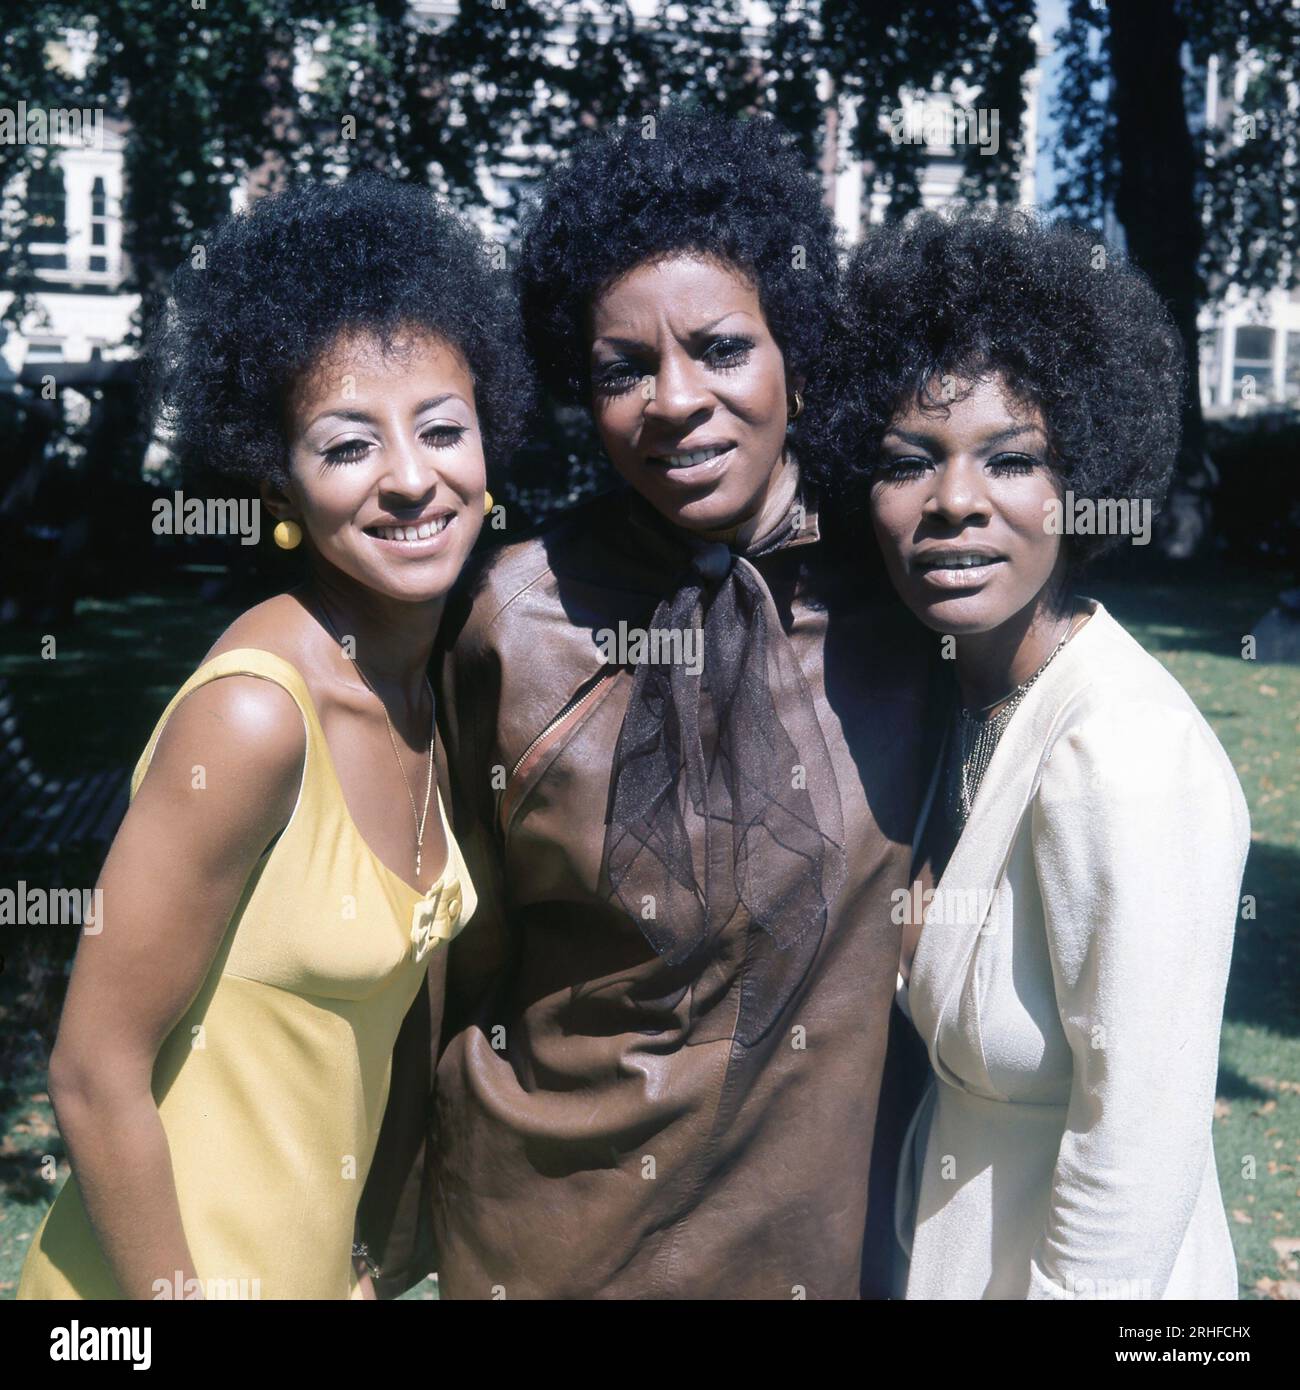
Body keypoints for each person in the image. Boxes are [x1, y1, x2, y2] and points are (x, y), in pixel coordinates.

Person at [370, 107, 938, 1300]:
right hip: (545, 1240)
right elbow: (444, 965)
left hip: (816, 1247)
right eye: (624, 369)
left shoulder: (905, 597)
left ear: (795, 352)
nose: (675, 400)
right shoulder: (508, 621)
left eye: (723, 348)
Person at [18, 175, 527, 1300]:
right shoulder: (253, 717)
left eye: (442, 428)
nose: (409, 477)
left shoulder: (426, 693)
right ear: (277, 477)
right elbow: (93, 1070)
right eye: (348, 446)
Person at [818, 207, 1249, 1300]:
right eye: (907, 462)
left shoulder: (1122, 753)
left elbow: (1135, 1162)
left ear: (1081, 479)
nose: (954, 502)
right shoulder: (959, 701)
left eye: (1011, 459)